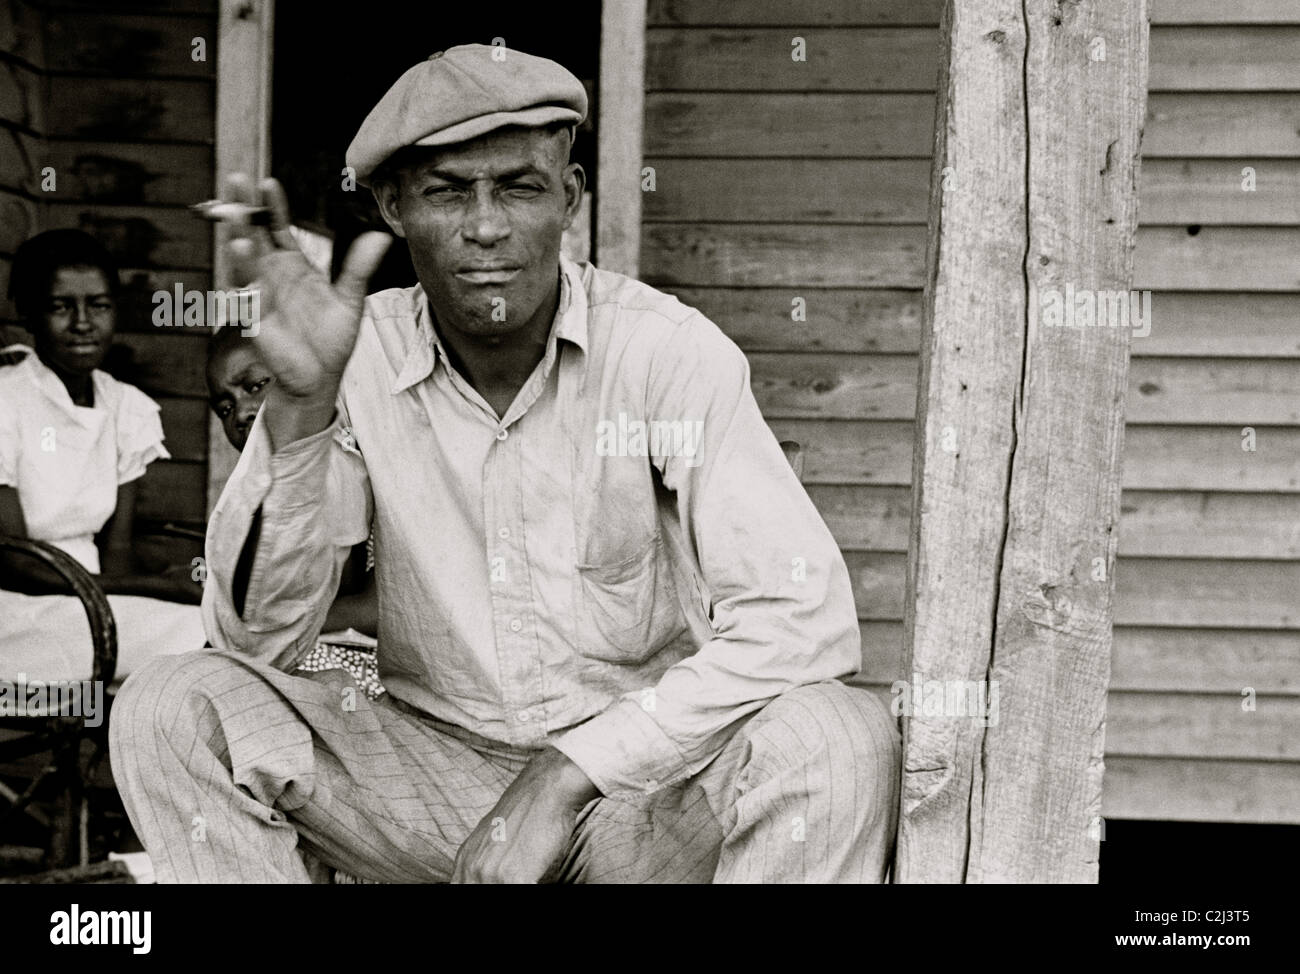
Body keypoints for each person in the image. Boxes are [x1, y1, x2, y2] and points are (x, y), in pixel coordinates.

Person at [110, 44, 901, 883]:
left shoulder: (664, 353)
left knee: (838, 734)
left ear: (570, 197)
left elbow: (803, 620)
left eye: (519, 187)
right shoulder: (355, 356)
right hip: (431, 785)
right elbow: (255, 642)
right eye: (448, 191)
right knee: (170, 705)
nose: (486, 226)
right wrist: (302, 410)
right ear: (392, 206)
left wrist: (566, 774)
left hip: (647, 791)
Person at [0, 229, 205, 686]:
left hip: (91, 602)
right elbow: (14, 564)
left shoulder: (124, 408)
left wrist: (137, 600)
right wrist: (160, 589)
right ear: (28, 313)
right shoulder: (5, 402)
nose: (82, 323)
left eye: (99, 305)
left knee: (209, 629)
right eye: (60, 307)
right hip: (15, 610)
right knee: (203, 632)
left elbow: (117, 550)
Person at [206, 323, 382, 700]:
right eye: (225, 407)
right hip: (295, 653)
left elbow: (381, 609)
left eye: (254, 386)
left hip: (364, 667)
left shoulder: (351, 458)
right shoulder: (252, 493)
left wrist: (255, 627)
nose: (241, 413)